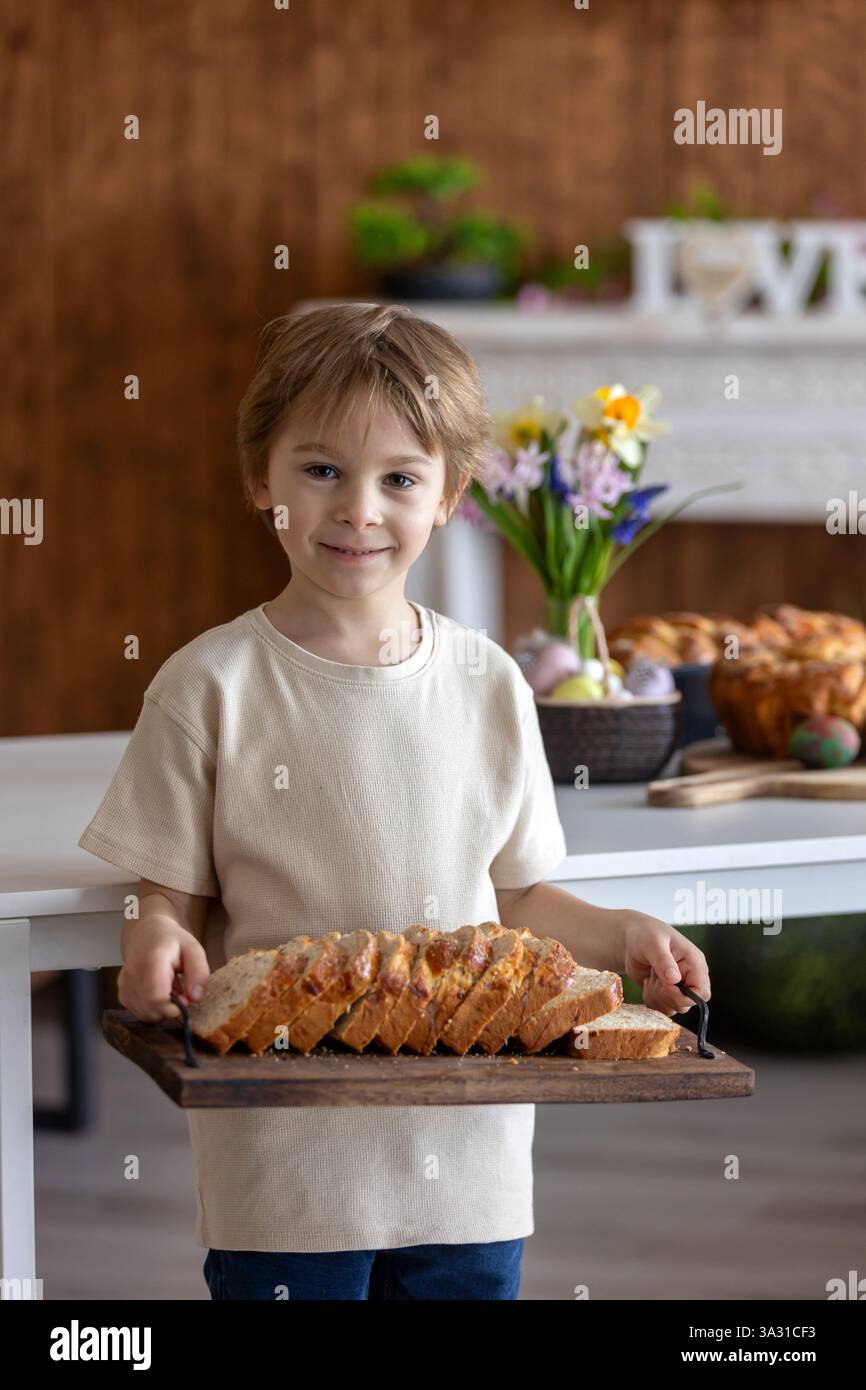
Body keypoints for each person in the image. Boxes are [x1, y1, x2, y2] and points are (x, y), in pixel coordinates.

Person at [78, 301, 710, 1300]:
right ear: (261, 478)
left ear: (449, 494)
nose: (357, 509)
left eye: (398, 478)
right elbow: (162, 897)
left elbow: (515, 906)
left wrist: (622, 932)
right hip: (285, 1173)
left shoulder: (488, 683)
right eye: (320, 469)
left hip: (468, 1161)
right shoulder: (207, 687)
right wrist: (151, 935)